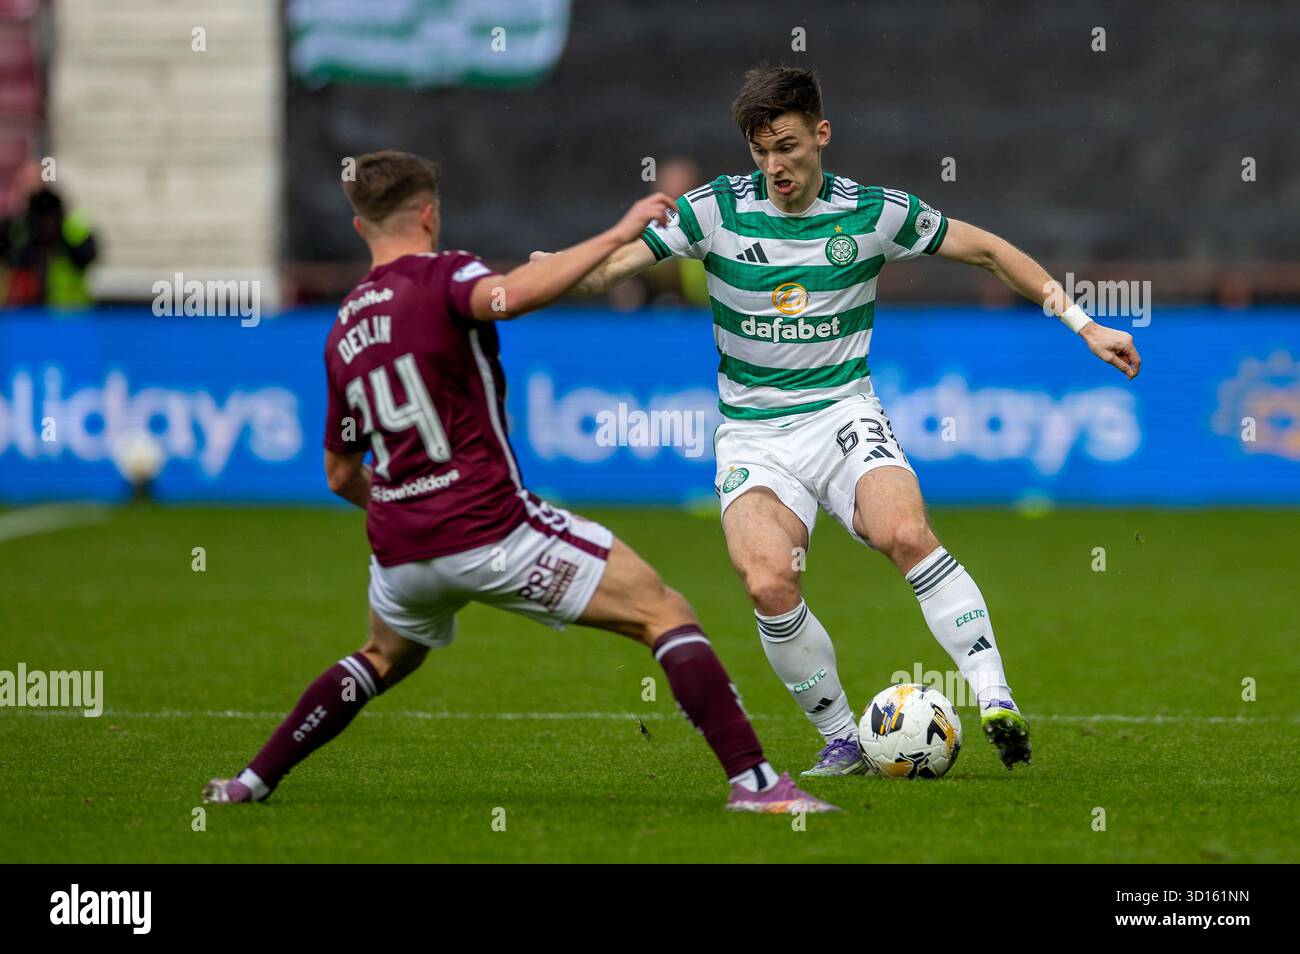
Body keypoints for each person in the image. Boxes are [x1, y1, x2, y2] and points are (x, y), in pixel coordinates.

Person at [535, 65, 1143, 777]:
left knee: (905, 532)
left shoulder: (873, 212)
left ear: (821, 134)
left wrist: (1083, 323)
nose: (774, 166)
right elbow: (614, 270)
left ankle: (994, 695)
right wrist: (556, 273)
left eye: (788, 147)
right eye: (760, 152)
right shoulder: (714, 212)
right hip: (755, 435)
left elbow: (987, 250)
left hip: (843, 414)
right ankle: (845, 739)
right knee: (766, 583)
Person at [202, 150, 836, 814]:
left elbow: (338, 474)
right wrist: (620, 234)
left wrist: (399, 503)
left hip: (400, 551)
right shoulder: (444, 276)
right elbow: (513, 296)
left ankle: (251, 780)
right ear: (429, 214)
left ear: (361, 229)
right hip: (490, 529)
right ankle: (757, 785)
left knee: (384, 656)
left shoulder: (342, 331)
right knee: (664, 612)